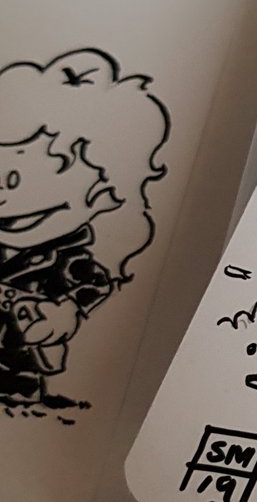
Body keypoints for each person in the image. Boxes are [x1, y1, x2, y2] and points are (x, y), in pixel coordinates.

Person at [0, 50, 169, 405]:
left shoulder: (70, 260)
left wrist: (65, 313)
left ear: (103, 194)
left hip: (16, 354)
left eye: (14, 180)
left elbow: (91, 286)